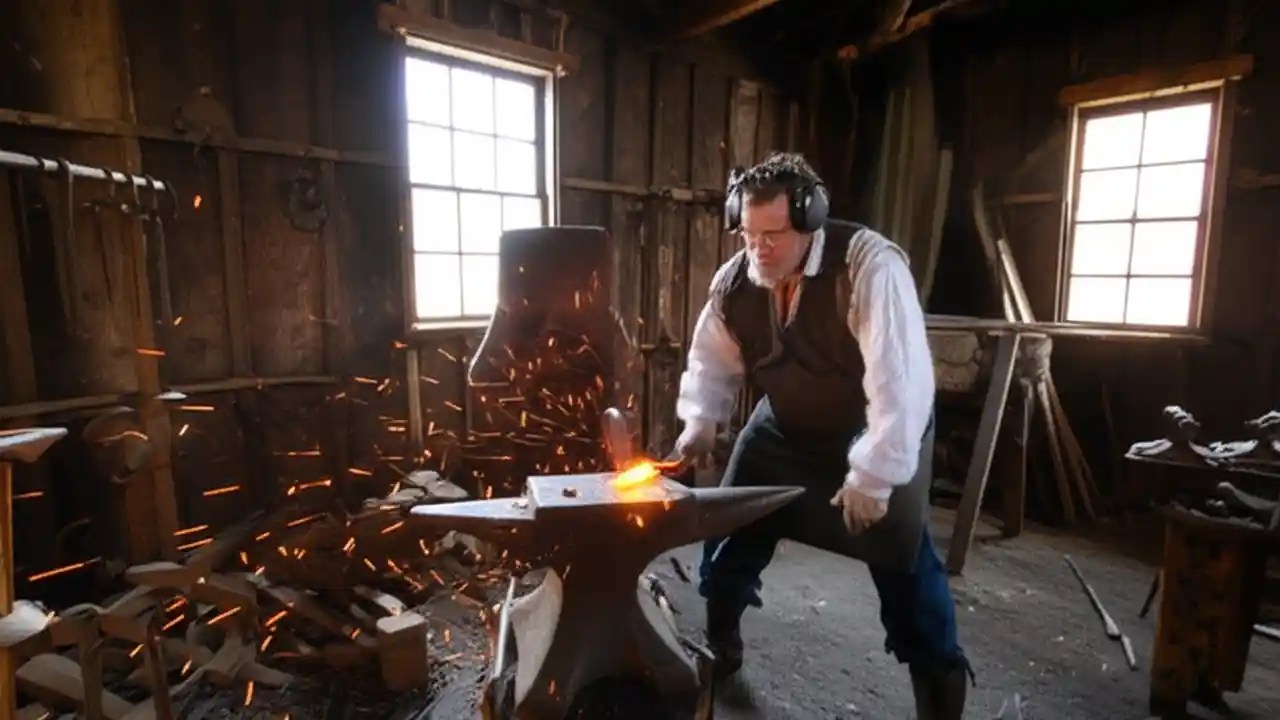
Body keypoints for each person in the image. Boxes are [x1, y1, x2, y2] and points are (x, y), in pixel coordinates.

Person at [673, 152, 969, 719]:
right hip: (784, 427)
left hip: (878, 426)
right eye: (748, 233)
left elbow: (900, 381)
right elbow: (711, 358)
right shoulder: (735, 282)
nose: (758, 248)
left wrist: (876, 475)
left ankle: (938, 690)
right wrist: (700, 424)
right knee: (727, 534)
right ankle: (723, 648)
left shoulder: (869, 267)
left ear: (810, 220)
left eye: (774, 235)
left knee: (905, 570)